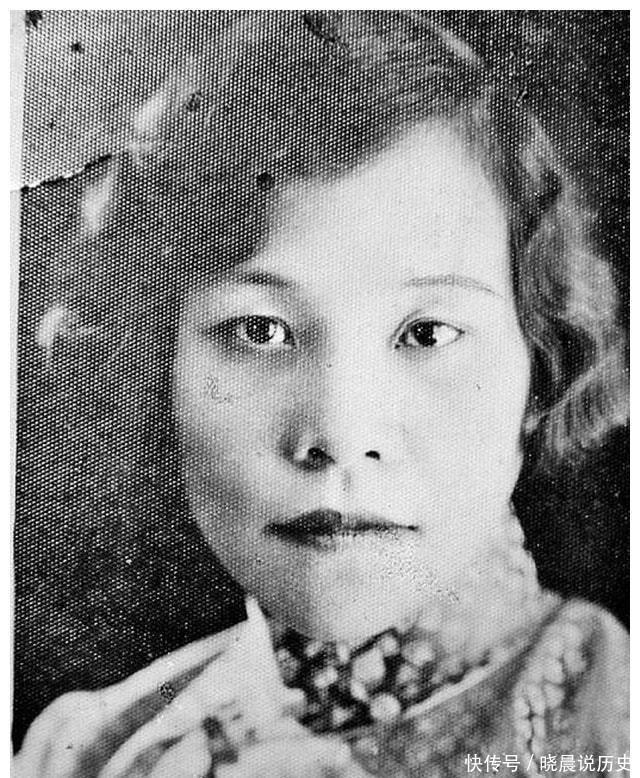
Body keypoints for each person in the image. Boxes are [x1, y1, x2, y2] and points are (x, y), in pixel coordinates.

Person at [14, 11, 629, 777]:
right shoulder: (89, 754)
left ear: (542, 363)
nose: (339, 432)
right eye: (260, 330)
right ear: (159, 362)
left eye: (428, 333)